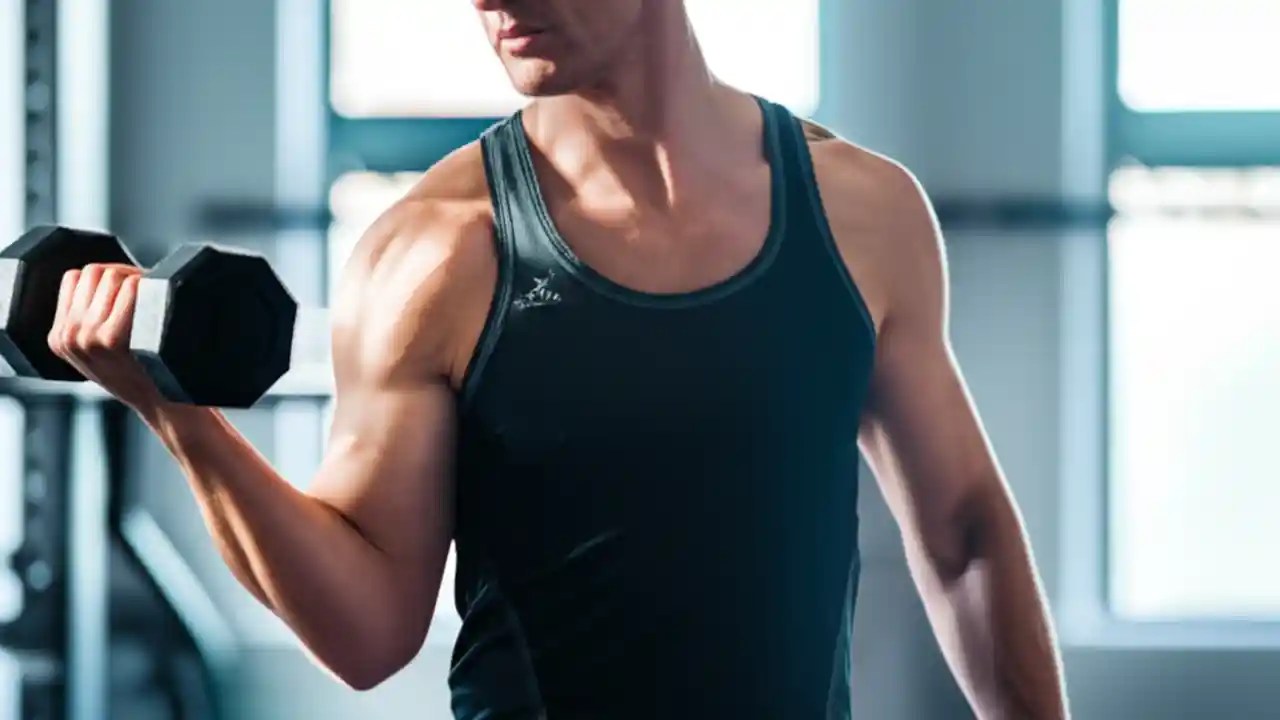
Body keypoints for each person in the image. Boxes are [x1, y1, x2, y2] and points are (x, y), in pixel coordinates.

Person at [47, 0, 1070, 717]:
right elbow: (365, 635)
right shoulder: (435, 249)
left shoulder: (863, 214)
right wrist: (178, 415)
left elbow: (965, 531)